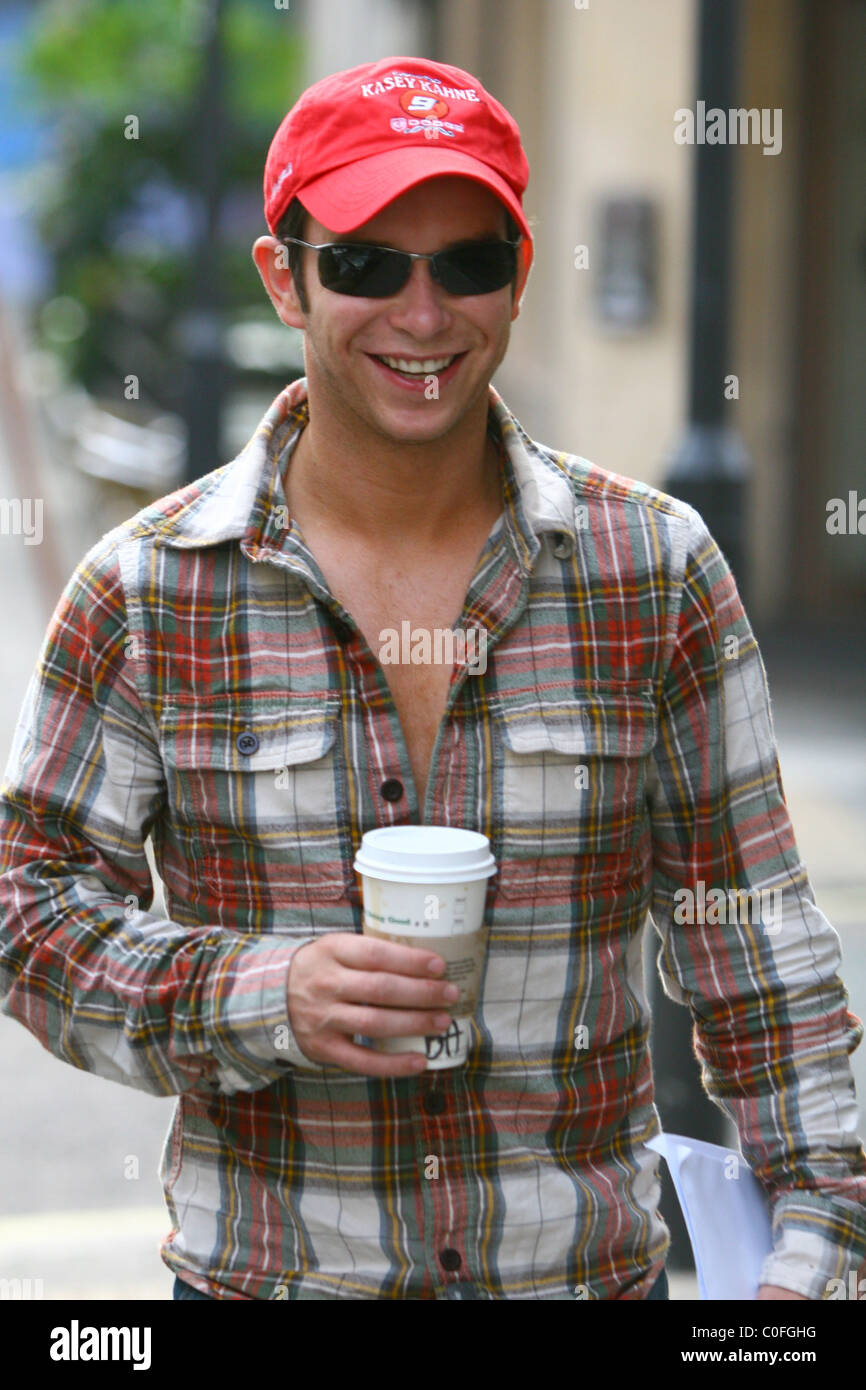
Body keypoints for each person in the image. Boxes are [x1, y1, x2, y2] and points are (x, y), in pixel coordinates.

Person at [0, 55, 864, 1303]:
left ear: (516, 280)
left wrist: (817, 1249)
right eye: (363, 262)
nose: (421, 312)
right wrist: (261, 994)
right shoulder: (147, 589)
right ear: (282, 277)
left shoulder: (651, 568)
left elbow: (755, 938)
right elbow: (30, 913)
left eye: (463, 261)